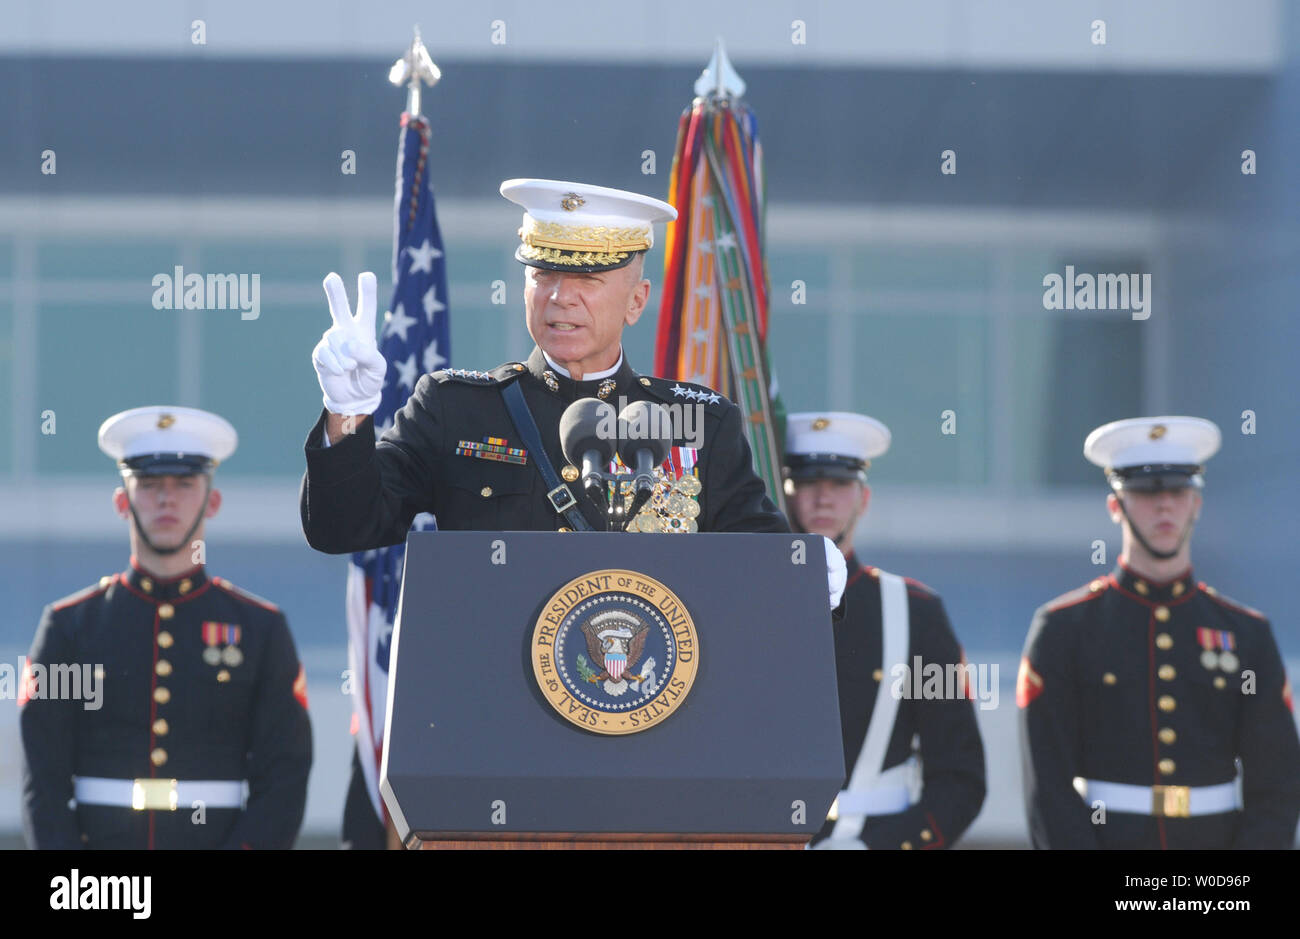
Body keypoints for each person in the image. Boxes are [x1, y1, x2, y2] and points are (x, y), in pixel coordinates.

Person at [19, 406, 312, 849]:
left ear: (212, 501)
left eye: (184, 484)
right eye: (150, 484)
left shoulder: (260, 629)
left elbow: (284, 776)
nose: (166, 499)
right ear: (122, 502)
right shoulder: (69, 628)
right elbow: (43, 780)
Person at [1019, 416, 1300, 849]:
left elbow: (1276, 786)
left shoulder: (1247, 634)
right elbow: (1048, 787)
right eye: (1147, 492)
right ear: (1116, 506)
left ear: (1197, 505)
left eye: (1178, 491)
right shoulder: (1064, 629)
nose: (1164, 506)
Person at [785, 411, 986, 849]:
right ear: (785, 494)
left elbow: (959, 777)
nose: (823, 499)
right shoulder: (749, 606)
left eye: (839, 484)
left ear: (864, 498)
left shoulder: (917, 612)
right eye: (807, 483)